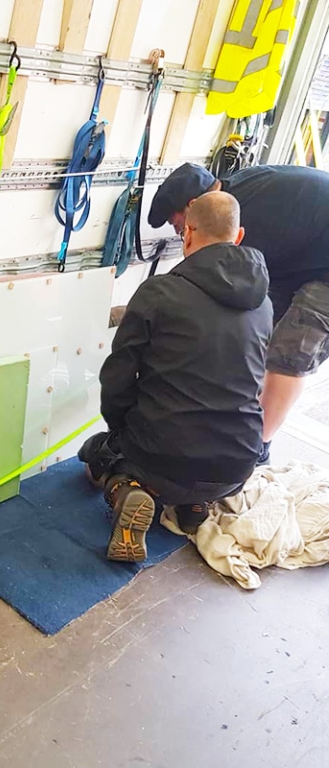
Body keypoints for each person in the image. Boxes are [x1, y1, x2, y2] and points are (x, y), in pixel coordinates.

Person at [79, 191, 272, 561]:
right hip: (238, 462)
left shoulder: (159, 293)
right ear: (240, 236)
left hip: (164, 455)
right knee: (191, 457)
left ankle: (128, 491)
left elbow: (116, 379)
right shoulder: (263, 302)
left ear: (187, 234)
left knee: (101, 456)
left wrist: (121, 431)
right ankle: (195, 505)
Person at [148, 162, 329, 464]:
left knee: (290, 352)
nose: (180, 234)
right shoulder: (231, 199)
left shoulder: (245, 216)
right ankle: (239, 426)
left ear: (193, 205)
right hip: (301, 257)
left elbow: (213, 283)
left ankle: (255, 449)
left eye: (179, 226)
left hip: (323, 270)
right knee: (257, 337)